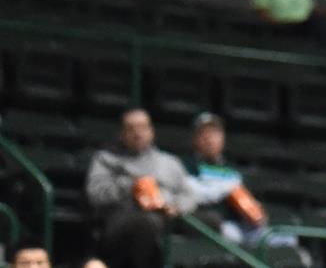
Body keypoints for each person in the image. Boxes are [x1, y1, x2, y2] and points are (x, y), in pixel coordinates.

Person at [86, 109, 200, 268]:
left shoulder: (169, 162)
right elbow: (95, 194)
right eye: (131, 128)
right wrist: (129, 186)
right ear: (122, 133)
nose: (137, 133)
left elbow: (189, 195)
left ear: (151, 131)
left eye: (142, 127)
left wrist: (177, 207)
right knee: (148, 222)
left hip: (167, 216)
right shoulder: (106, 159)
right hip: (123, 220)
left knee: (211, 221)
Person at [182, 113, 271, 245]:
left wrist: (256, 212)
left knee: (281, 238)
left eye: (215, 133)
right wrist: (226, 188)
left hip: (241, 226)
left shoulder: (232, 170)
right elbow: (193, 194)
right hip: (211, 226)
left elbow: (246, 199)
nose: (209, 139)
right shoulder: (186, 165)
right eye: (204, 133)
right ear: (195, 138)